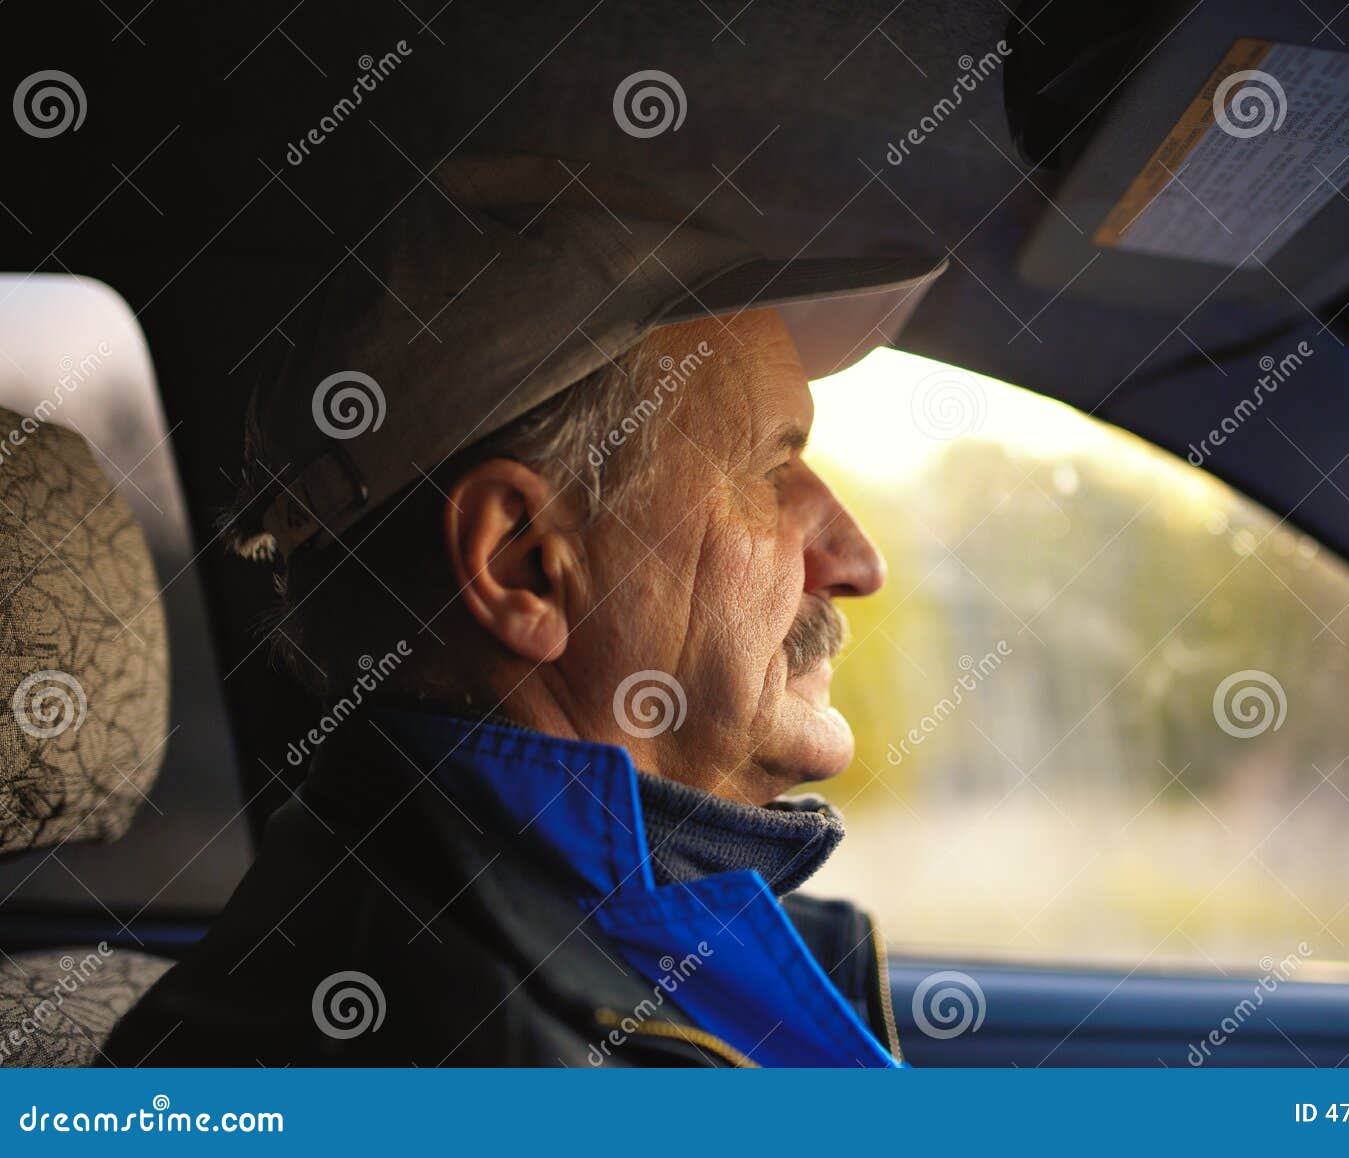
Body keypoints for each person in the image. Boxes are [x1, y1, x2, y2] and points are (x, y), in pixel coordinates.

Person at [104, 156, 944, 1067]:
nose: (859, 564)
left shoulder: (545, 956)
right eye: (774, 474)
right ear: (525, 566)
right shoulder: (464, 1047)